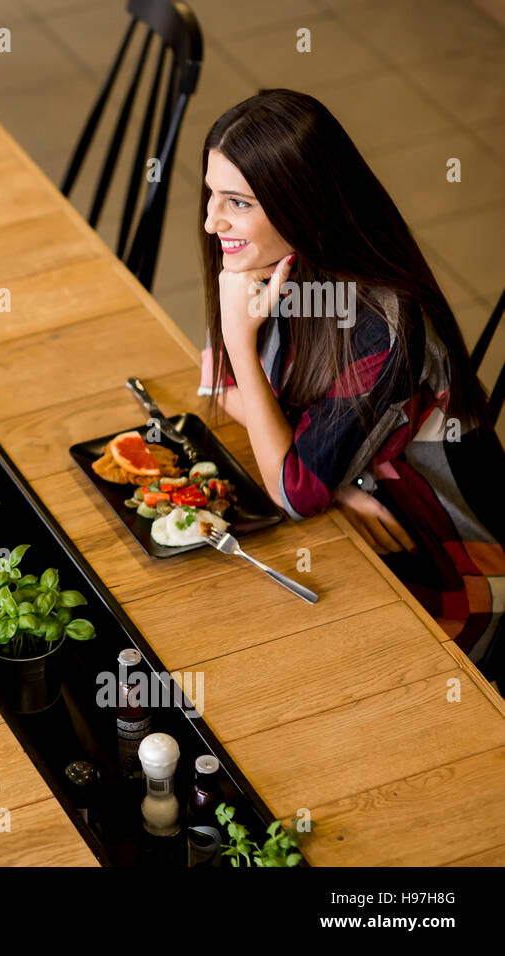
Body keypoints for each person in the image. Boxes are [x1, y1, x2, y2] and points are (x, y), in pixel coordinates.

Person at [197, 89, 503, 688]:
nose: (211, 222)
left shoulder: (378, 325)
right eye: (211, 193)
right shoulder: (281, 270)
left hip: (450, 580)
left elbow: (291, 490)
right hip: (367, 532)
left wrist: (310, 474)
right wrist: (329, 480)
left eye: (237, 202)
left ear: (300, 206)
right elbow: (215, 381)